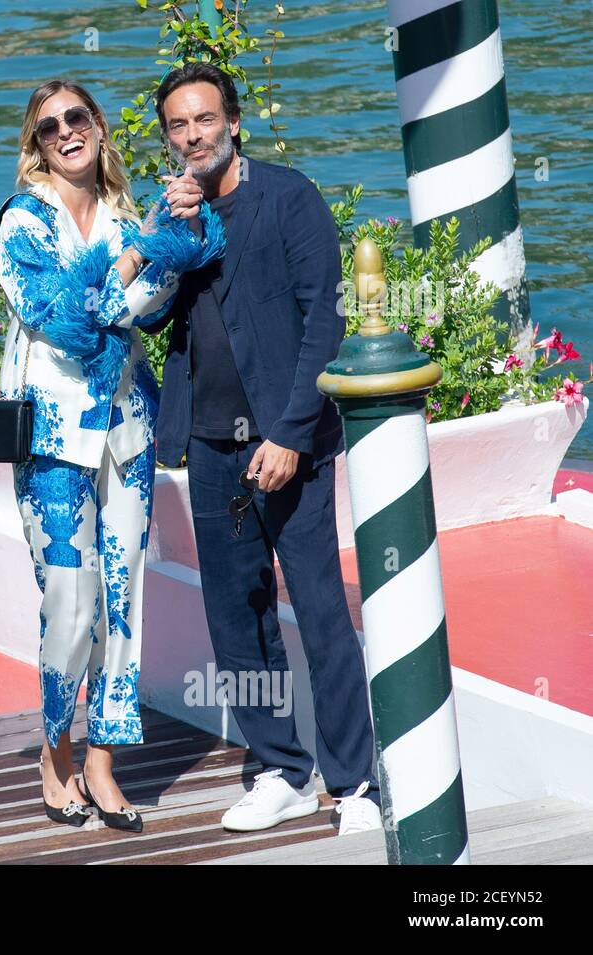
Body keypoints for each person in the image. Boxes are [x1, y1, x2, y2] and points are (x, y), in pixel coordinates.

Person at [144, 62, 383, 836]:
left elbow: (326, 320)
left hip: (291, 443)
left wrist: (288, 430)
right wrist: (167, 236)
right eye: (178, 125)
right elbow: (147, 319)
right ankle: (282, 766)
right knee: (234, 620)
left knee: (319, 610)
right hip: (212, 447)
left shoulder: (290, 199)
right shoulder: (173, 215)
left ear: (233, 122)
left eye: (204, 119)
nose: (192, 135)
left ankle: (356, 786)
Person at [0, 78, 224, 832]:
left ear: (97, 128)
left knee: (123, 602)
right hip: (52, 440)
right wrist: (130, 265)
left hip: (125, 430)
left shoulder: (128, 213)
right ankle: (53, 749)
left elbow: (149, 301)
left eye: (78, 117)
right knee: (73, 599)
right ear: (37, 144)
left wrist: (173, 230)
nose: (67, 131)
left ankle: (102, 761)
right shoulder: (20, 224)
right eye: (50, 124)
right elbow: (64, 319)